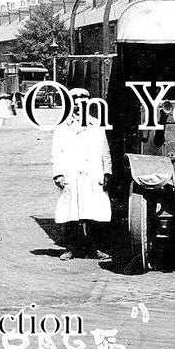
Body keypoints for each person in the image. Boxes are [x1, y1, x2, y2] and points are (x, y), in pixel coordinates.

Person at [51, 89, 111, 260]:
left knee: (94, 214)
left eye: (83, 98)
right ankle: (71, 249)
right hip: (71, 174)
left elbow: (104, 150)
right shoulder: (62, 127)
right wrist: (58, 174)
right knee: (71, 214)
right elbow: (56, 152)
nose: (79, 101)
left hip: (93, 174)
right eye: (75, 98)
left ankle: (95, 249)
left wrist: (107, 172)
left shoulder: (96, 124)